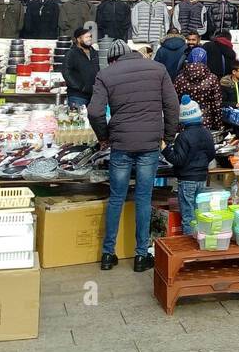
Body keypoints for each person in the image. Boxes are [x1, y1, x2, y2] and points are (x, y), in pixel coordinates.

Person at [87, 39, 179, 272]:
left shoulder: (106, 74)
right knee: (143, 197)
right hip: (149, 143)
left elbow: (95, 111)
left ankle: (108, 254)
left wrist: (104, 137)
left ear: (113, 59)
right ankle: (140, 256)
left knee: (116, 197)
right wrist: (167, 136)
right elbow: (171, 105)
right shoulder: (158, 69)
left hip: (121, 144)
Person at [163, 95, 217, 229]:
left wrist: (165, 150)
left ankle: (189, 245)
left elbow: (178, 160)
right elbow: (211, 154)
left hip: (187, 180)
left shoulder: (183, 137)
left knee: (188, 217)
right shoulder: (207, 133)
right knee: (201, 214)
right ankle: (201, 240)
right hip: (202, 178)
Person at [171, 47, 225, 133]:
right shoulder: (212, 78)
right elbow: (216, 104)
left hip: (184, 120)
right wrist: (218, 124)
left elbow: (174, 102)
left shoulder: (179, 78)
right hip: (205, 121)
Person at [62, 27, 99, 108]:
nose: (89, 39)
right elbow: (66, 73)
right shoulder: (71, 53)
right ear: (78, 39)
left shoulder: (94, 53)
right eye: (86, 37)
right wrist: (80, 87)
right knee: (78, 119)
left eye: (90, 37)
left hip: (94, 95)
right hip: (77, 96)